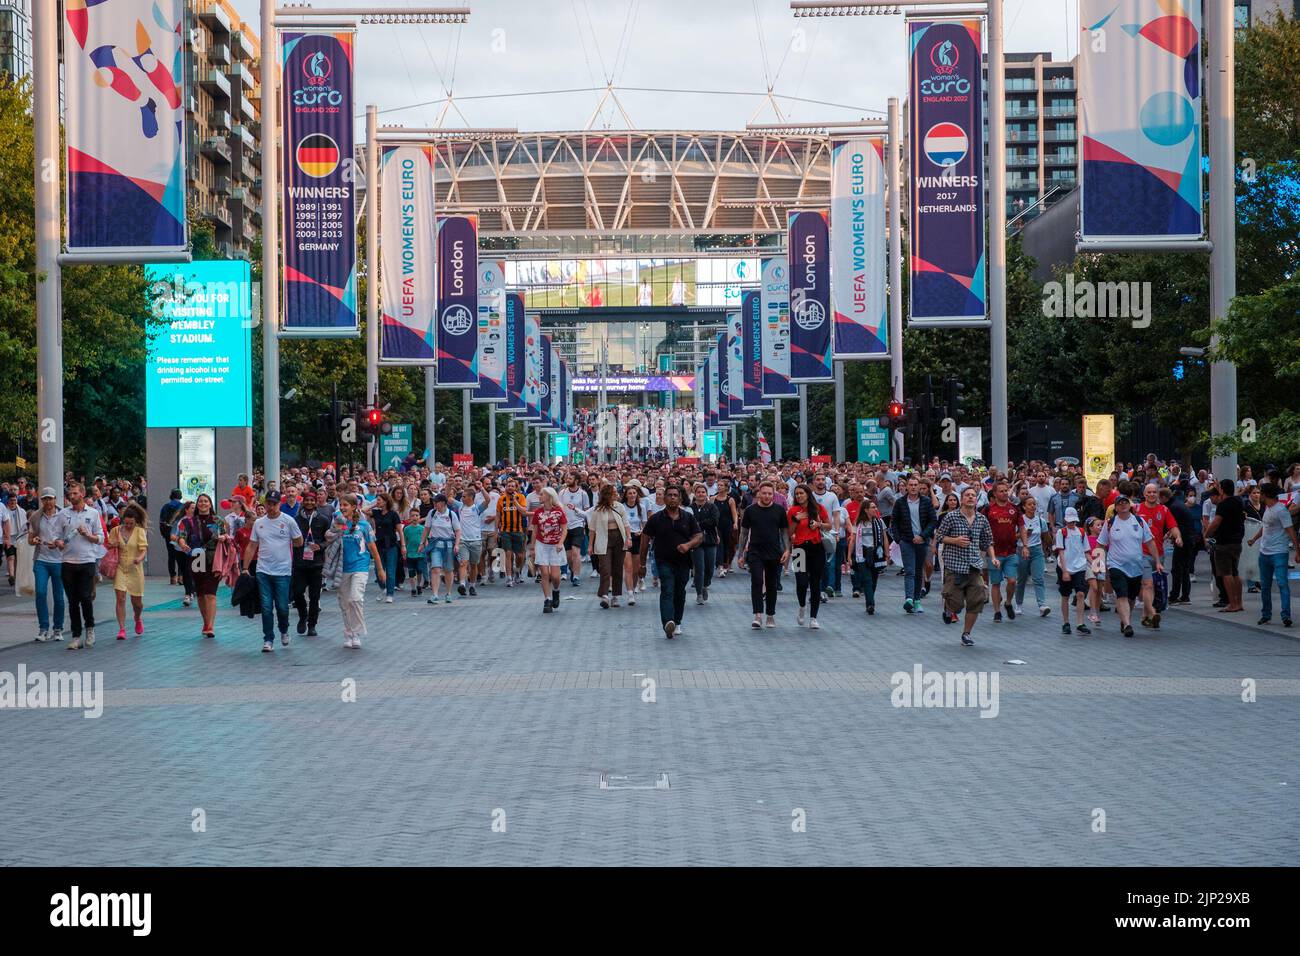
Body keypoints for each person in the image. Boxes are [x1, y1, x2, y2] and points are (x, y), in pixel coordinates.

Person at [243, 488, 304, 653]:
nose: (271, 507)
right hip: (263, 570)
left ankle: (284, 629)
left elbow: (299, 542)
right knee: (266, 606)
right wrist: (245, 567)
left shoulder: (289, 521)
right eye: (268, 503)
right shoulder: (259, 522)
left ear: (279, 504)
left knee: (283, 607)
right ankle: (268, 638)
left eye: (274, 504)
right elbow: (252, 545)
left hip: (283, 571)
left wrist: (294, 540)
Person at [936, 487, 998, 647]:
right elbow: (940, 536)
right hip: (954, 565)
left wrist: (993, 557)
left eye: (973, 495)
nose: (970, 497)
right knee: (956, 604)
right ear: (962, 499)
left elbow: (988, 541)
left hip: (973, 566)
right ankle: (949, 609)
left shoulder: (981, 519)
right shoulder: (951, 517)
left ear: (976, 500)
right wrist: (955, 540)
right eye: (967, 495)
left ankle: (966, 633)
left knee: (976, 600)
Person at [638, 485, 702, 639]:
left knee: (680, 592)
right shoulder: (656, 518)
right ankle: (668, 622)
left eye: (675, 495)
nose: (672, 497)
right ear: (664, 498)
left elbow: (699, 536)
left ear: (680, 498)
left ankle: (677, 622)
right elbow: (645, 539)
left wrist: (688, 545)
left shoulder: (688, 517)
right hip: (663, 561)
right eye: (669, 495)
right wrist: (641, 564)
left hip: (683, 562)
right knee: (667, 589)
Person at [1097, 494, 1158, 638]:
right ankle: (1127, 624)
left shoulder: (1139, 521)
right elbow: (1101, 543)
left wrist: (1158, 561)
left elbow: (1149, 542)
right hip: (1116, 564)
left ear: (1130, 505)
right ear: (1115, 507)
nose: (1123, 505)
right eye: (1120, 503)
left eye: (1125, 503)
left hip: (1136, 566)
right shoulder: (1110, 523)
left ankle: (1125, 620)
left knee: (1131, 597)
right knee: (1122, 594)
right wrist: (1098, 564)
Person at [330, 493, 385, 648]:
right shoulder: (338, 523)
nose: (342, 508)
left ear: (354, 507)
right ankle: (349, 633)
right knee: (344, 603)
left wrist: (380, 569)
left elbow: (373, 548)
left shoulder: (364, 525)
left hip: (360, 566)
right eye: (341, 505)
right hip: (342, 568)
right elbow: (329, 540)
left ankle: (358, 631)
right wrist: (335, 529)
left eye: (346, 505)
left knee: (355, 598)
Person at [57, 482, 104, 650]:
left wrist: (88, 535)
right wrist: (58, 542)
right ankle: (76, 635)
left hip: (87, 560)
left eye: (75, 493)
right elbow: (57, 536)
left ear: (82, 494)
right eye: (70, 493)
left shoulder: (93, 513)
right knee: (73, 600)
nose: (72, 496)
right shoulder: (63, 514)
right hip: (68, 561)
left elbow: (100, 538)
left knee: (85, 597)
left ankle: (90, 629)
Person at [738, 480, 790, 630]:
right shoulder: (750, 510)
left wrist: (787, 549)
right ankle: (757, 615)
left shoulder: (779, 510)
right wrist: (740, 554)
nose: (767, 496)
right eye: (764, 493)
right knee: (757, 581)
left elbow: (784, 532)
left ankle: (770, 615)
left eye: (770, 494)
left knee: (772, 584)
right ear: (759, 493)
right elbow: (744, 533)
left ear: (773, 495)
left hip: (774, 552)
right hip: (755, 551)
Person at [178, 494, 226, 639]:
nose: (203, 504)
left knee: (210, 592)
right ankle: (206, 622)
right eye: (200, 501)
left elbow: (225, 536)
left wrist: (223, 538)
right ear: (197, 504)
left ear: (210, 504)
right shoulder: (188, 521)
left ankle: (210, 626)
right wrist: (182, 543)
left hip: (213, 558)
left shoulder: (218, 520)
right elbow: (181, 535)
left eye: (206, 501)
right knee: (200, 593)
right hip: (196, 557)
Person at [1250, 483, 1296, 627]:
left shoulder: (1281, 510)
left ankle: (1286, 615)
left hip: (1279, 553)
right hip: (1264, 553)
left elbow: (1291, 531)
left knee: (1282, 584)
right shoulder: (1268, 509)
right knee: (1265, 586)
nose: (1259, 495)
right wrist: (1254, 538)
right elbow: (1265, 527)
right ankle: (1266, 615)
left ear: (1265, 495)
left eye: (1260, 492)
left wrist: (1297, 551)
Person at [891, 475, 937, 614]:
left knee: (918, 571)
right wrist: (898, 539)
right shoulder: (900, 502)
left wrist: (923, 536)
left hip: (922, 541)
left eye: (915, 485)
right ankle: (909, 599)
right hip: (907, 541)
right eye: (910, 485)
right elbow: (895, 522)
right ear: (906, 487)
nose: (912, 487)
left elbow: (932, 521)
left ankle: (917, 600)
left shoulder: (926, 502)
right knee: (909, 570)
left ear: (919, 487)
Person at [787, 483, 830, 629]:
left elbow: (829, 525)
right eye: (797, 494)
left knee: (815, 582)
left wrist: (819, 524)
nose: (799, 496)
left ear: (808, 494)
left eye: (801, 493)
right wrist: (796, 520)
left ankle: (813, 617)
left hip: (816, 548)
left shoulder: (818, 508)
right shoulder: (792, 510)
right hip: (799, 548)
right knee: (801, 582)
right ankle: (802, 606)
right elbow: (788, 532)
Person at [292, 489, 331, 636]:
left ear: (316, 502)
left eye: (312, 500)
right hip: (300, 562)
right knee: (297, 593)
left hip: (316, 563)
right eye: (307, 500)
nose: (309, 503)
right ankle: (303, 616)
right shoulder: (296, 520)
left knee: (315, 597)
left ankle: (312, 625)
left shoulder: (323, 519)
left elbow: (329, 540)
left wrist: (319, 546)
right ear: (303, 502)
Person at [585, 483, 630, 609]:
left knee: (617, 568)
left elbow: (626, 523)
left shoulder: (619, 506)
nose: (616, 494)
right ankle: (604, 595)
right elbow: (592, 529)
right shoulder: (597, 510)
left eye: (616, 492)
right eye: (613, 492)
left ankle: (616, 596)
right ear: (607, 495)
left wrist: (628, 538)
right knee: (605, 569)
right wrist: (590, 546)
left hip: (619, 539)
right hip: (603, 539)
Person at [107, 501, 148, 640]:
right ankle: (122, 629)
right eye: (127, 523)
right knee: (120, 597)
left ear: (136, 522)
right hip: (120, 567)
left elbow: (143, 550)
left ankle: (137, 617)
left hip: (135, 569)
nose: (129, 526)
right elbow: (109, 545)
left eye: (131, 523)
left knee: (137, 602)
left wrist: (139, 558)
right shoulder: (116, 530)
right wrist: (113, 544)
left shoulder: (140, 531)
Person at [984, 480, 1024, 622]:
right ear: (994, 494)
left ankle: (1008, 602)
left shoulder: (1014, 508)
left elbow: (1022, 526)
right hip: (994, 552)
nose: (1004, 493)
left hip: (1011, 551)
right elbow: (981, 526)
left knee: (1012, 581)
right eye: (1001, 491)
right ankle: (997, 611)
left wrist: (1025, 545)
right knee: (995, 583)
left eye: (1006, 490)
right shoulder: (988, 509)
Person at [29, 488, 65, 642]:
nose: (48, 502)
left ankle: (58, 628)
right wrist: (34, 540)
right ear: (41, 500)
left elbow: (69, 536)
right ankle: (43, 628)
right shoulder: (36, 516)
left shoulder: (63, 515)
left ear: (55, 499)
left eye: (50, 499)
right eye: (45, 499)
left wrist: (59, 544)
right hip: (42, 559)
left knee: (59, 597)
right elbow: (31, 538)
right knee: (41, 593)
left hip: (59, 560)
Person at [1205, 479, 1246, 613]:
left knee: (1226, 573)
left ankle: (1232, 603)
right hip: (1236, 542)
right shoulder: (1238, 501)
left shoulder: (1223, 506)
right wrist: (1219, 487)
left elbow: (1216, 522)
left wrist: (1207, 533)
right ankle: (1239, 602)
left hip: (1224, 543)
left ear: (1222, 490)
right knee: (1235, 572)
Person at [1053, 507, 1091, 635]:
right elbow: (1061, 552)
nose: (1072, 524)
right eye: (1070, 521)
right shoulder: (1061, 532)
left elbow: (1086, 551)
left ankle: (1080, 623)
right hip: (1065, 566)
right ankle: (1065, 622)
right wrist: (1064, 571)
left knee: (1080, 594)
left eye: (1073, 521)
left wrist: (1094, 564)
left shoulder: (1081, 532)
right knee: (1065, 595)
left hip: (1080, 566)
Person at [1013, 494, 1053, 618]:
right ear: (1024, 507)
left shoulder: (1040, 521)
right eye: (1029, 504)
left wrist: (1049, 545)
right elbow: (1012, 537)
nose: (1032, 506)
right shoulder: (1019, 520)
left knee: (1038, 578)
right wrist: (1023, 534)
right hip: (1022, 550)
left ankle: (1042, 605)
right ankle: (1018, 604)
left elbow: (1046, 537)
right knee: (1022, 579)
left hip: (1036, 550)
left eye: (1034, 504)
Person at [530, 487, 568, 614]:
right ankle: (547, 600)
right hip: (542, 545)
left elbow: (564, 529)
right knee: (545, 574)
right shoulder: (537, 512)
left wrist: (560, 543)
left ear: (549, 496)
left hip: (555, 546)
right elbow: (535, 530)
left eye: (542, 494)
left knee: (555, 576)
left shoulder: (559, 511)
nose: (539, 496)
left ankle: (556, 591)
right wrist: (532, 547)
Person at [850, 497, 889, 615]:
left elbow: (885, 538)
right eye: (873, 507)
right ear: (866, 510)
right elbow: (853, 539)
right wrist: (848, 556)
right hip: (862, 553)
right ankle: (870, 604)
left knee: (874, 580)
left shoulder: (879, 521)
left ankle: (869, 599)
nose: (875, 509)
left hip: (876, 553)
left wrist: (887, 553)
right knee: (867, 579)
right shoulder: (859, 523)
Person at [421, 494, 461, 604]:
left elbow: (457, 531)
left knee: (448, 570)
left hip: (448, 544)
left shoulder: (452, 514)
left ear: (443, 503)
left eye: (436, 501)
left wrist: (457, 544)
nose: (434, 503)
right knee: (435, 569)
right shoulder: (432, 513)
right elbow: (426, 529)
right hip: (435, 544)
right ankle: (434, 594)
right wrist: (422, 542)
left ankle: (448, 593)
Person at [558, 472, 591, 587]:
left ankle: (576, 576)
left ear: (576, 480)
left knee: (576, 552)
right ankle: (573, 570)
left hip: (578, 525)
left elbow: (587, 512)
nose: (567, 479)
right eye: (567, 477)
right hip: (565, 526)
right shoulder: (562, 493)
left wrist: (585, 525)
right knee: (568, 556)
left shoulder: (583, 494)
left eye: (570, 478)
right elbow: (558, 509)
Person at [495, 478, 529, 587]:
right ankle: (509, 577)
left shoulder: (521, 497)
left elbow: (524, 512)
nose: (510, 487)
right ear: (505, 487)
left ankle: (518, 571)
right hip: (505, 531)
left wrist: (515, 501)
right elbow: (498, 515)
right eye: (508, 486)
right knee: (508, 554)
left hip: (518, 530)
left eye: (512, 486)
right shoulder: (501, 499)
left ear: (516, 488)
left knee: (520, 555)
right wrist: (496, 531)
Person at [690, 484, 719, 605]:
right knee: (699, 568)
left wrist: (698, 523)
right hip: (696, 542)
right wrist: (700, 524)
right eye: (698, 492)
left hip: (710, 540)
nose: (701, 494)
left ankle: (705, 585)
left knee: (710, 568)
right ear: (695, 494)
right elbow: (689, 522)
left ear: (706, 494)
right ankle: (699, 593)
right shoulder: (691, 508)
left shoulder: (712, 507)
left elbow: (714, 521)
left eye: (703, 492)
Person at [371, 493, 403, 603]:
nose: (377, 502)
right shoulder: (376, 513)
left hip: (391, 545)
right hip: (379, 544)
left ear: (385, 501)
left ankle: (390, 594)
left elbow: (400, 530)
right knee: (377, 569)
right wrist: (373, 505)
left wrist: (403, 545)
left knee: (390, 570)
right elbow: (363, 510)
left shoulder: (393, 514)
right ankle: (383, 587)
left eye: (379, 500)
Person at [456, 487, 487, 596]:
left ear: (470, 497)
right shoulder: (460, 506)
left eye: (464, 496)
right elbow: (448, 498)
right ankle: (462, 585)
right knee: (463, 563)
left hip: (476, 540)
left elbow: (487, 500)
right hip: (463, 541)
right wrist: (450, 485)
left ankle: (472, 586)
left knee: (473, 565)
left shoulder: (477, 508)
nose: (462, 498)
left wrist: (482, 488)